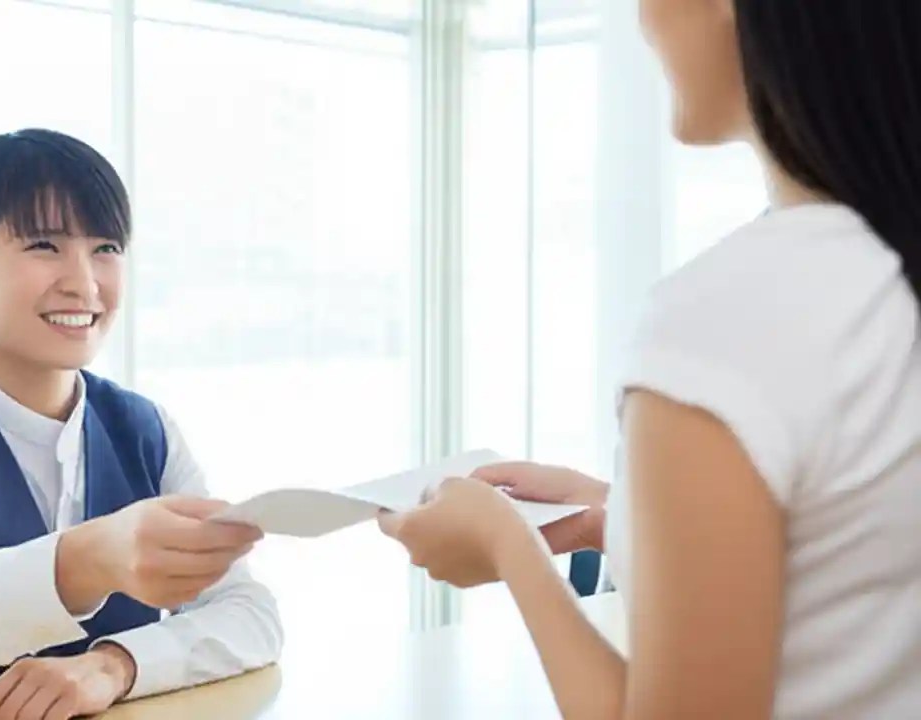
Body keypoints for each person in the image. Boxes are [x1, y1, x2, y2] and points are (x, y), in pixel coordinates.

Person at [380, 1, 921, 717]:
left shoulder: (727, 314)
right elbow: (861, 550)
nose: (642, 23)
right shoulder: (878, 279)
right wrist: (622, 516)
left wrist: (508, 548)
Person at [0, 129, 283, 720]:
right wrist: (94, 556)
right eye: (44, 245)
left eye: (106, 248)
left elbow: (248, 613)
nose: (84, 282)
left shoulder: (147, 431)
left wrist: (113, 664)